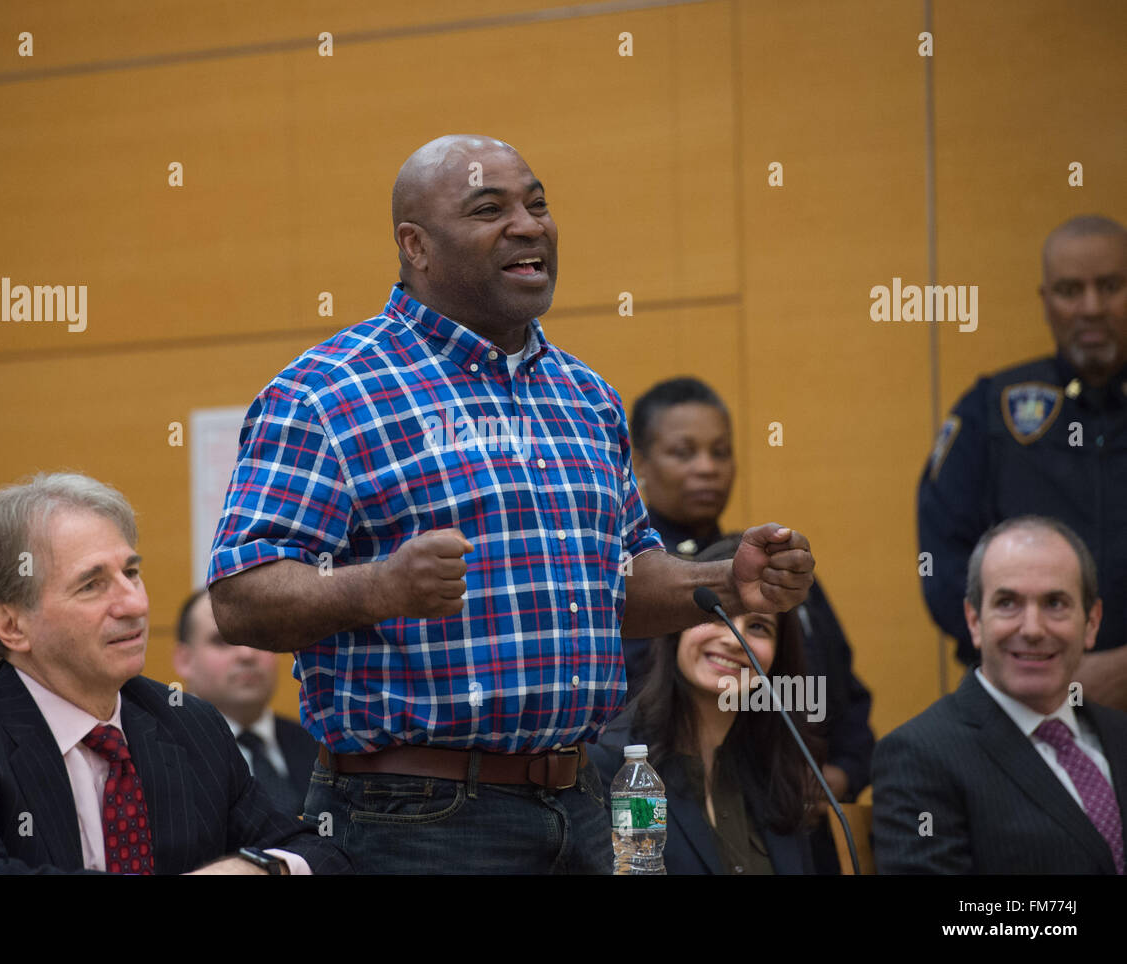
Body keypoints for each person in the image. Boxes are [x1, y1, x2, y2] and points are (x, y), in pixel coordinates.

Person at [207, 134, 816, 873]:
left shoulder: (585, 395)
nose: (529, 225)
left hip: (582, 799)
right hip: (415, 814)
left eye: (538, 204)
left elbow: (620, 586)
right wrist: (378, 587)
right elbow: (240, 598)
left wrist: (725, 584)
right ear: (416, 246)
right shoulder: (328, 393)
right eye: (490, 209)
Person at [0, 472, 347, 875]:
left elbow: (317, 854)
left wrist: (253, 869)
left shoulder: (189, 724)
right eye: (92, 585)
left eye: (131, 573)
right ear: (11, 625)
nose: (135, 604)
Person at [628, 376, 873, 871]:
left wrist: (835, 775)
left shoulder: (774, 571)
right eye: (684, 452)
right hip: (673, 807)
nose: (707, 468)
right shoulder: (632, 576)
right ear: (641, 465)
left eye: (721, 452)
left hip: (778, 800)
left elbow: (840, 695)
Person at [918, 215, 1127, 708]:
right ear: (1046, 302)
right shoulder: (992, 410)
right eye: (1071, 290)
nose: (1092, 307)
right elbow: (941, 561)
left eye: (1112, 286)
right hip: (1018, 703)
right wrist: (1042, 664)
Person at [873, 516, 1127, 874]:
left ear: (1092, 622)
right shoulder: (919, 757)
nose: (1033, 629)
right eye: (1008, 603)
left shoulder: (1119, 734)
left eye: (1055, 603)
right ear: (975, 621)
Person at [592, 535, 819, 874]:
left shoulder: (775, 770)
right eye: (717, 616)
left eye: (758, 626)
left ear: (778, 658)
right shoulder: (618, 766)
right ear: (675, 629)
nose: (732, 638)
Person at [173, 588, 318, 816]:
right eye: (223, 640)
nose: (247, 654)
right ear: (185, 660)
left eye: (259, 637)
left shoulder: (320, 748)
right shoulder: (162, 756)